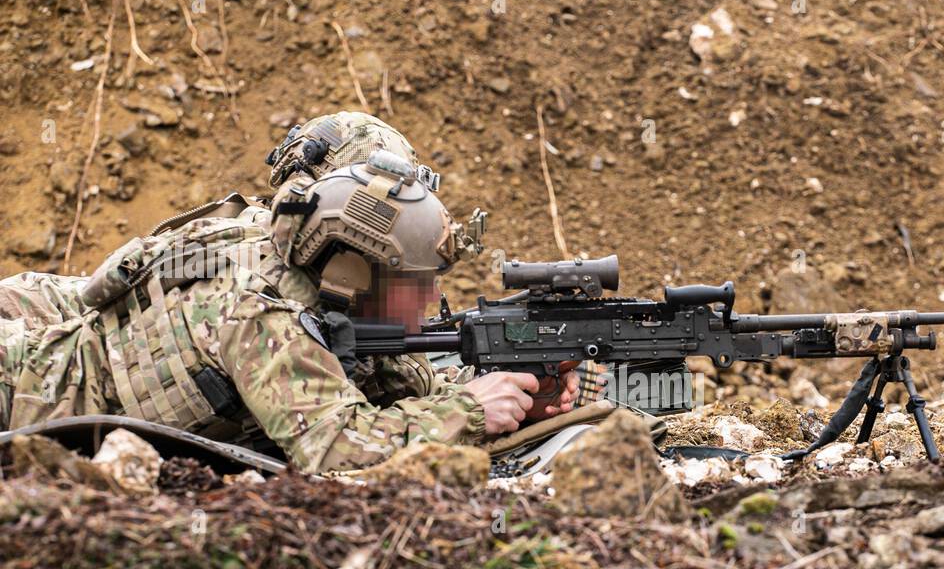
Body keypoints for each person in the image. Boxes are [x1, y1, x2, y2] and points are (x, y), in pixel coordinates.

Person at [0, 144, 580, 472]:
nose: (431, 299)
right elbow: (332, 451)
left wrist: (518, 398)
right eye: (416, 283)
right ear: (353, 277)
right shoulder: (265, 314)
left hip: (62, 319)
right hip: (31, 388)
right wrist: (468, 410)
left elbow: (384, 385)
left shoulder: (307, 259)